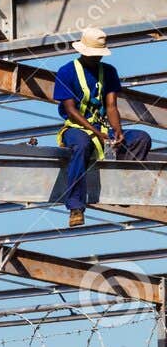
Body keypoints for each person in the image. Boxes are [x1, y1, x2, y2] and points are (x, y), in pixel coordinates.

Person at [54, 26, 151, 227]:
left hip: (103, 128)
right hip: (76, 128)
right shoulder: (66, 72)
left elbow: (111, 105)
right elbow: (71, 110)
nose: (97, 58)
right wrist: (96, 133)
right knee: (81, 145)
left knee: (141, 138)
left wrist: (117, 131)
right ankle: (76, 206)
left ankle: (123, 191)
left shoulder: (108, 72)